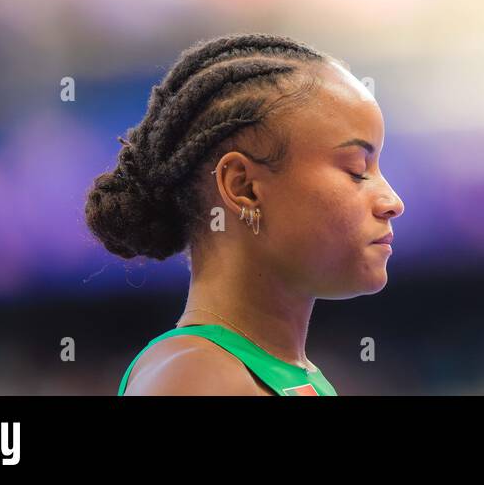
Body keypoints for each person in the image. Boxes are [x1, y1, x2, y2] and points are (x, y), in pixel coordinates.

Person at [84, 33, 403, 395]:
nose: (392, 201)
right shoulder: (195, 378)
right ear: (244, 187)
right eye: (357, 169)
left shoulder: (281, 373)